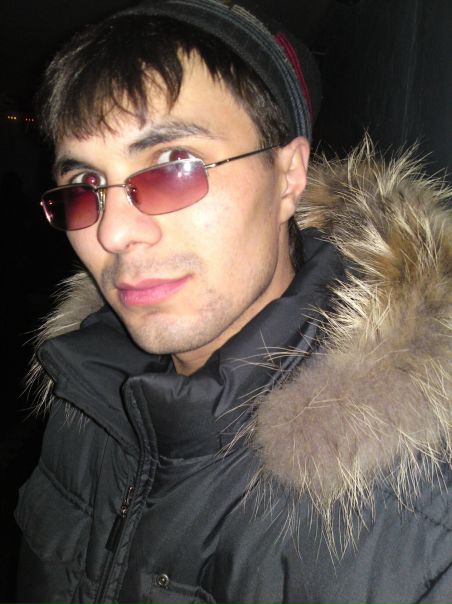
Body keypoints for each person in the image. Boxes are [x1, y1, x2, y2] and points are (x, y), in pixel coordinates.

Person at [15, 0, 451, 602]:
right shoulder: (82, 398)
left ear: (289, 176)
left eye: (175, 164)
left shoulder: (423, 521)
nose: (112, 232)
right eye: (86, 184)